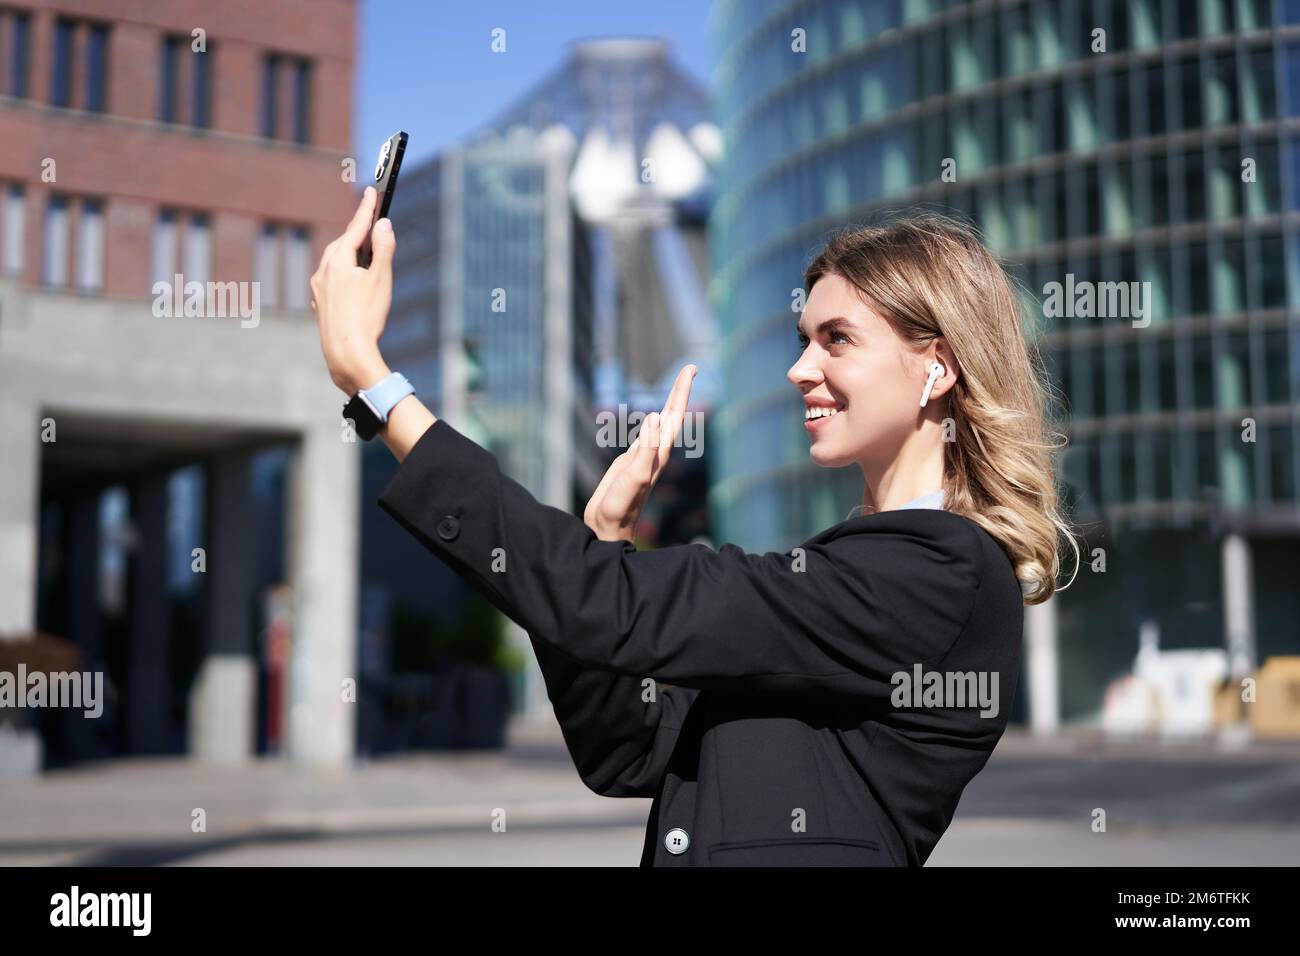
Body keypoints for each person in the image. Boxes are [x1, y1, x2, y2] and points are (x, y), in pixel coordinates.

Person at [310, 187, 1077, 866]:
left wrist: (379, 386)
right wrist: (606, 531)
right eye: (803, 339)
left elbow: (607, 604)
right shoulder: (853, 577)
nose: (800, 369)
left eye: (836, 339)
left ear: (936, 367)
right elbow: (631, 750)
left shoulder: (938, 573)